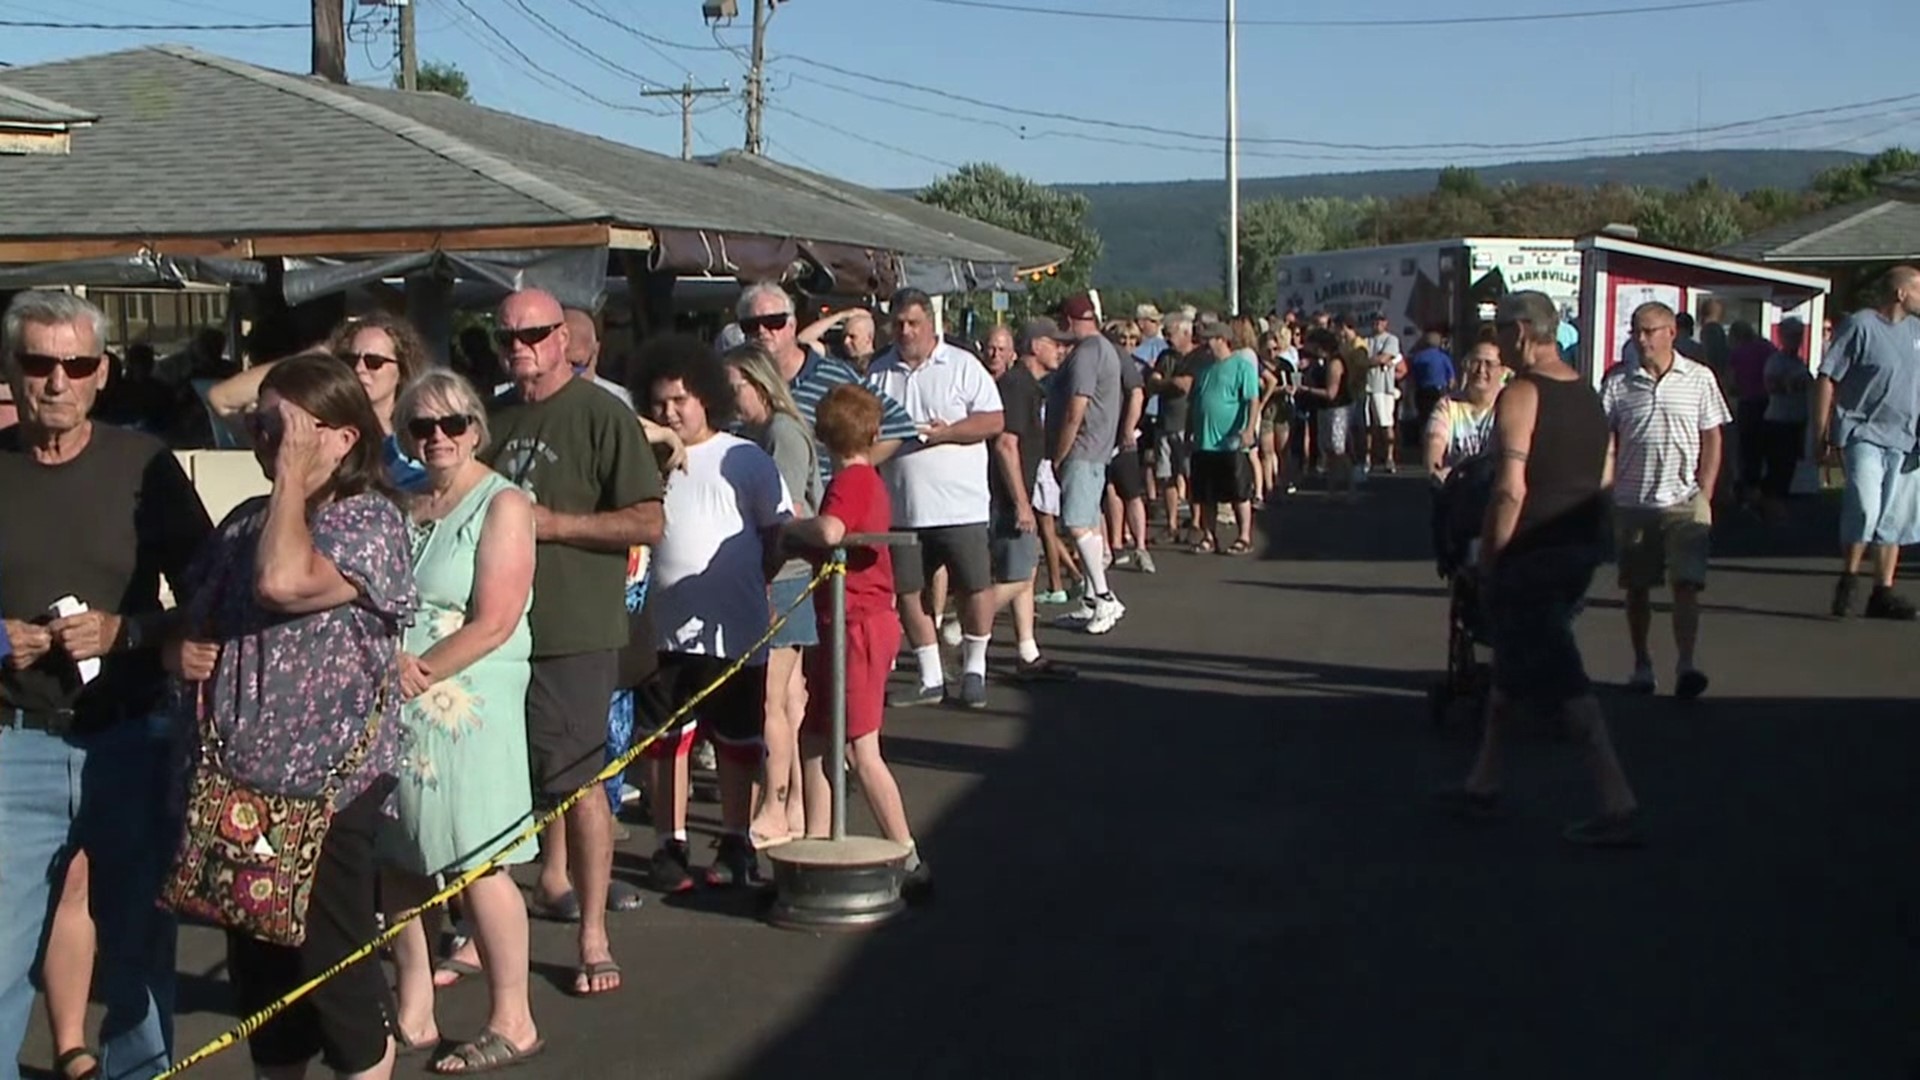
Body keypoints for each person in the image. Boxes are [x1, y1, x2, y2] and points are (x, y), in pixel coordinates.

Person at [175, 352, 417, 1078]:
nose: (267, 439)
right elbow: (192, 615)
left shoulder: (368, 520)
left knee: (338, 988)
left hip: (328, 792)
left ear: (343, 438)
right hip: (241, 792)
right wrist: (175, 651)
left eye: (287, 427)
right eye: (261, 424)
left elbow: (284, 582)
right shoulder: (249, 521)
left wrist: (290, 471)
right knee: (269, 1000)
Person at [2, 291, 211, 1080]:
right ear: (12, 370)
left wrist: (125, 631)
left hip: (130, 740)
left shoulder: (144, 467)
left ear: (102, 375)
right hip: (12, 747)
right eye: (39, 363)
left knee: (140, 955)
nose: (57, 381)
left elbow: (207, 599)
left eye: (76, 365)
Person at [484, 288, 665, 997]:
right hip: (494, 630)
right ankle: (486, 931)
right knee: (494, 786)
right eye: (507, 339)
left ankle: (592, 932)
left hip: (574, 629)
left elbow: (648, 522)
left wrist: (555, 526)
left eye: (533, 336)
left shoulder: (602, 414)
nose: (520, 349)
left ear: (565, 339)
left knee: (580, 783)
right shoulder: (486, 417)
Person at [378, 371, 542, 1073]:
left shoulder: (503, 503)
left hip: (466, 702)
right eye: (421, 427)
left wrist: (422, 672)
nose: (437, 438)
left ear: (476, 427)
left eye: (451, 424)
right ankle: (414, 1004)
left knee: (479, 857)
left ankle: (514, 1016)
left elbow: (497, 618)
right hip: (399, 708)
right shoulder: (407, 504)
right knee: (400, 858)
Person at [1442, 291, 1641, 847]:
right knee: (1512, 668)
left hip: (1534, 550)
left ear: (1523, 331)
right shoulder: (1586, 394)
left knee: (1565, 681)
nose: (1499, 343)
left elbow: (1509, 489)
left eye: (1502, 331)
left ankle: (1617, 801)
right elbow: (1604, 477)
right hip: (1578, 544)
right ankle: (1483, 781)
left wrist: (1491, 558)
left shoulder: (1522, 395)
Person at [635, 337, 792, 889]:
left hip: (736, 631)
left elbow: (776, 538)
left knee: (737, 741)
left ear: (706, 398)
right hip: (663, 627)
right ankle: (668, 843)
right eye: (659, 402)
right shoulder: (644, 456)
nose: (669, 412)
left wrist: (748, 584)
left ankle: (735, 840)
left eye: (679, 400)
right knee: (666, 739)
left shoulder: (744, 458)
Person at [784, 384, 931, 898]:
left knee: (861, 747)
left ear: (823, 436)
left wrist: (790, 529)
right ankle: (817, 839)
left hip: (859, 623)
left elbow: (829, 531)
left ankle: (907, 853)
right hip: (838, 621)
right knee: (815, 736)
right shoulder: (864, 477)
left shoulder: (852, 481)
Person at [865, 289, 1006, 706]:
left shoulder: (962, 365)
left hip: (960, 505)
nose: (905, 331)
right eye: (899, 324)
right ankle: (929, 676)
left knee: (974, 587)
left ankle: (974, 669)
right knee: (909, 591)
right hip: (904, 506)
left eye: (913, 323)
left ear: (931, 324)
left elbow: (994, 420)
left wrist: (946, 433)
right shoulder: (879, 372)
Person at [1603, 302, 1732, 699]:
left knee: (1687, 583)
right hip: (1633, 499)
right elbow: (1606, 442)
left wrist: (1706, 492)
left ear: (1671, 332)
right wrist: (1605, 490)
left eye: (1649, 331)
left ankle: (1687, 664)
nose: (1641, 339)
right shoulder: (1619, 383)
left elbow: (1713, 436)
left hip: (1683, 498)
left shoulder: (1698, 378)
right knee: (1637, 588)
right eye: (1636, 331)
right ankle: (1642, 664)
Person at [722, 343, 821, 847]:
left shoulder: (781, 433)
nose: (729, 397)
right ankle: (795, 806)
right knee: (788, 702)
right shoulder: (756, 433)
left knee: (773, 702)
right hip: (779, 575)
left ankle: (776, 806)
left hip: (783, 576)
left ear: (758, 384)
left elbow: (782, 515)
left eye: (734, 387)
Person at [208, 312, 431, 492]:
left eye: (374, 362)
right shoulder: (320, 430)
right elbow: (221, 398)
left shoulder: (423, 431)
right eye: (350, 360)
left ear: (401, 370)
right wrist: (314, 357)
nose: (359, 369)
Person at [1813, 266, 1920, 619]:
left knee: (1894, 517)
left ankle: (1883, 592)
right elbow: (1828, 376)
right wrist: (1821, 431)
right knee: (1865, 507)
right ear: (1901, 293)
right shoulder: (1861, 325)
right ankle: (1849, 578)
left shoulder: (1918, 332)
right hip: (1863, 432)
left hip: (1905, 437)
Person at [989, 320, 1078, 681]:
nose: (1062, 350)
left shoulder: (1032, 388)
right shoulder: (1016, 387)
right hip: (1008, 498)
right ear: (1036, 345)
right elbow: (1006, 444)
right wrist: (1022, 503)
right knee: (1018, 574)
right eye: (1056, 343)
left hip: (1020, 492)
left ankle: (1027, 652)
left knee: (1025, 575)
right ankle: (964, 622)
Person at [1047, 294, 1127, 634]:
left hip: (1082, 448)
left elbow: (1075, 409)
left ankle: (1105, 597)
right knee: (1089, 524)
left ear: (1069, 320)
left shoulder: (1086, 355)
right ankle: (1094, 598)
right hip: (1096, 447)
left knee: (1078, 524)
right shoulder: (1105, 350)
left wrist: (1059, 453)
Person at [1187, 319, 1260, 554]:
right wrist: (1190, 430)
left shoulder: (1241, 365)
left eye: (1208, 339)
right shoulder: (1205, 370)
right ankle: (1209, 536)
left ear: (1221, 339)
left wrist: (1248, 429)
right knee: (1206, 494)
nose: (1205, 344)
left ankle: (1244, 536)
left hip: (1230, 441)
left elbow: (1252, 399)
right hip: (1204, 441)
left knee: (1238, 492)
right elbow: (1196, 402)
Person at [1423, 342, 1502, 483]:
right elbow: (1434, 440)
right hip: (1457, 489)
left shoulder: (1507, 406)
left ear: (1501, 371)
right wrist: (1435, 471)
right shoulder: (1448, 405)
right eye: (1475, 362)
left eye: (1489, 364)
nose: (1481, 370)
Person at [1758, 318, 1811, 520]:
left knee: (1789, 466)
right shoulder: (1776, 361)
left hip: (1797, 419)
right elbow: (1772, 386)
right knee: (1777, 466)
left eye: (1799, 336)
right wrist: (1793, 384)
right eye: (1792, 336)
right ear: (1782, 337)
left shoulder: (1799, 362)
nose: (1796, 340)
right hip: (1778, 419)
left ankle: (1777, 507)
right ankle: (1768, 506)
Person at [1363, 313, 1404, 473]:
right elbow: (1363, 359)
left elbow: (1384, 358)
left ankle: (1389, 458)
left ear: (1385, 323)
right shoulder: (1366, 341)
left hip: (1383, 388)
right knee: (1368, 426)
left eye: (1380, 320)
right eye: (1374, 320)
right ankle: (1367, 458)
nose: (1377, 323)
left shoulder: (1391, 339)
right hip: (1367, 386)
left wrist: (1372, 361)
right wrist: (1375, 360)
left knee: (1386, 423)